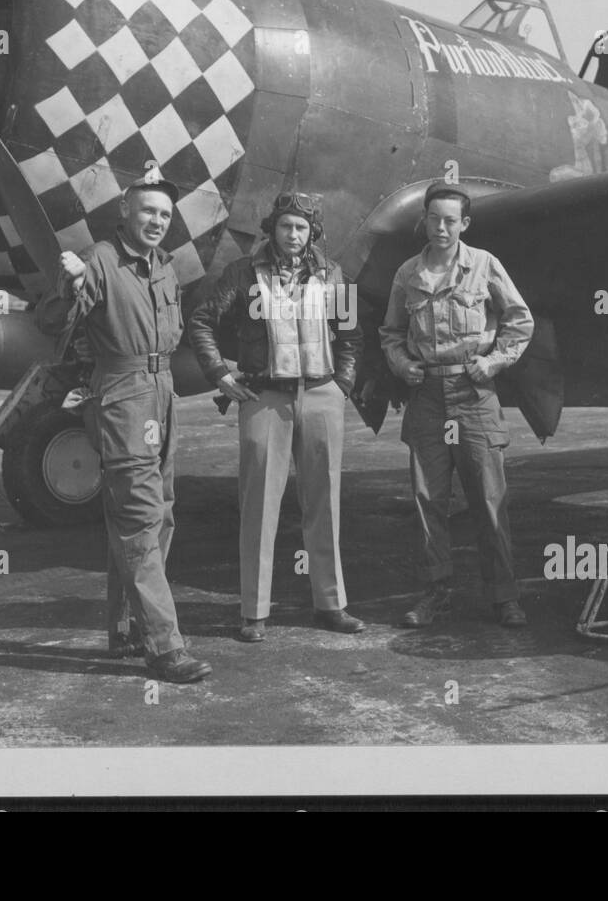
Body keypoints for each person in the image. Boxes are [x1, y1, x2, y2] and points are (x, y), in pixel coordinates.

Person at [187, 192, 365, 643]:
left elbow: (350, 333)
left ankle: (331, 604)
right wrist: (221, 376)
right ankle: (254, 612)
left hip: (322, 394)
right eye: (286, 226)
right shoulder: (243, 273)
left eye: (301, 228)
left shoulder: (331, 274)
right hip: (264, 396)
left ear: (312, 233)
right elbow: (202, 321)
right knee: (260, 505)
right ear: (273, 228)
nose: (293, 234)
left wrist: (340, 386)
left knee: (325, 501)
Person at [58, 174, 212, 684]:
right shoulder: (100, 259)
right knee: (141, 518)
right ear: (125, 209)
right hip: (124, 397)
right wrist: (72, 285)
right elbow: (55, 318)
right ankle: (165, 646)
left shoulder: (163, 267)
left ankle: (126, 627)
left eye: (165, 215)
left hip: (162, 395)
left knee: (160, 515)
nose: (156, 222)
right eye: (148, 211)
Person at [379, 181, 535, 629]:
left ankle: (503, 596)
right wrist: (401, 364)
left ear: (464, 224)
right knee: (429, 500)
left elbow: (519, 321)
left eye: (451, 220)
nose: (441, 227)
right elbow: (390, 332)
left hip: (474, 394)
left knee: (489, 498)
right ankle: (435, 594)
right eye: (434, 218)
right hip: (427, 395)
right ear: (423, 220)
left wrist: (495, 362)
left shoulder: (485, 265)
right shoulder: (408, 273)